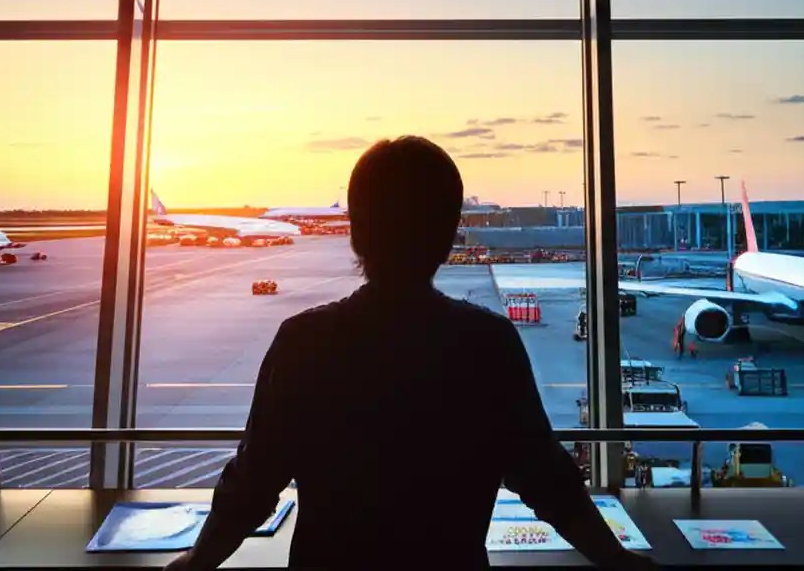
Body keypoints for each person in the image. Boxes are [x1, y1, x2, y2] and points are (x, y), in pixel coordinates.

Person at [165, 136, 657, 570]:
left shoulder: (303, 342)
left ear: (356, 234)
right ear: (448, 239)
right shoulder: (487, 345)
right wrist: (613, 558)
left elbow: (251, 488)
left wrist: (198, 561)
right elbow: (548, 479)